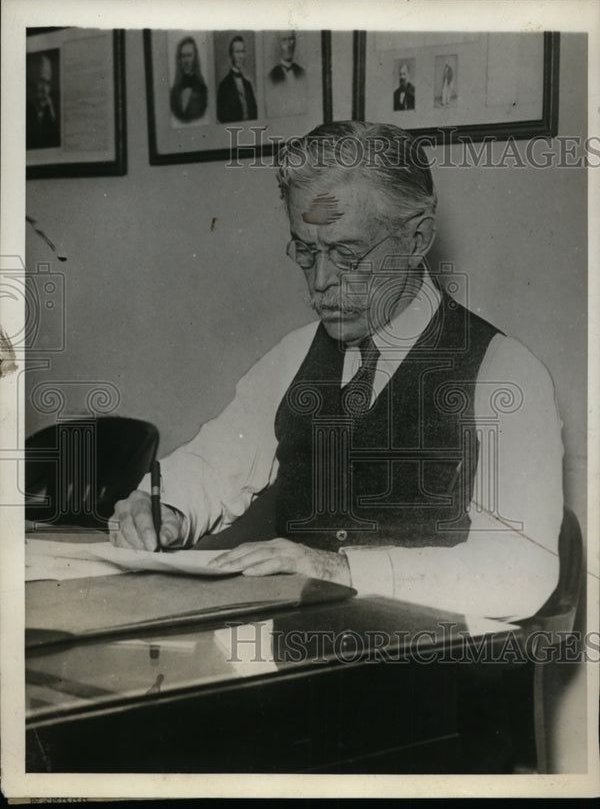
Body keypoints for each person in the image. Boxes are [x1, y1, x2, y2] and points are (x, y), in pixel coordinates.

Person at [110, 121, 563, 622]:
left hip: (438, 680)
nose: (321, 283)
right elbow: (214, 466)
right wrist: (165, 507)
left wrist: (342, 568)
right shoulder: (294, 354)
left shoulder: (507, 373)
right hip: (302, 673)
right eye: (306, 252)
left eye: (347, 254)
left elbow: (524, 573)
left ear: (417, 239)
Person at [216, 35, 257, 124]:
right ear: (231, 55)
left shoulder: (248, 85)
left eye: (242, 52)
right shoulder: (223, 87)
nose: (240, 56)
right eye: (237, 52)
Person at [170, 36, 208, 123]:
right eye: (183, 56)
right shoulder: (174, 92)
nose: (186, 60)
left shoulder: (203, 90)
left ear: (195, 58)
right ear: (179, 59)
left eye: (189, 55)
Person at [26, 52, 60, 149]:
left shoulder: (54, 110)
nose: (45, 90)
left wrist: (52, 114)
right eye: (41, 81)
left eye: (48, 83)